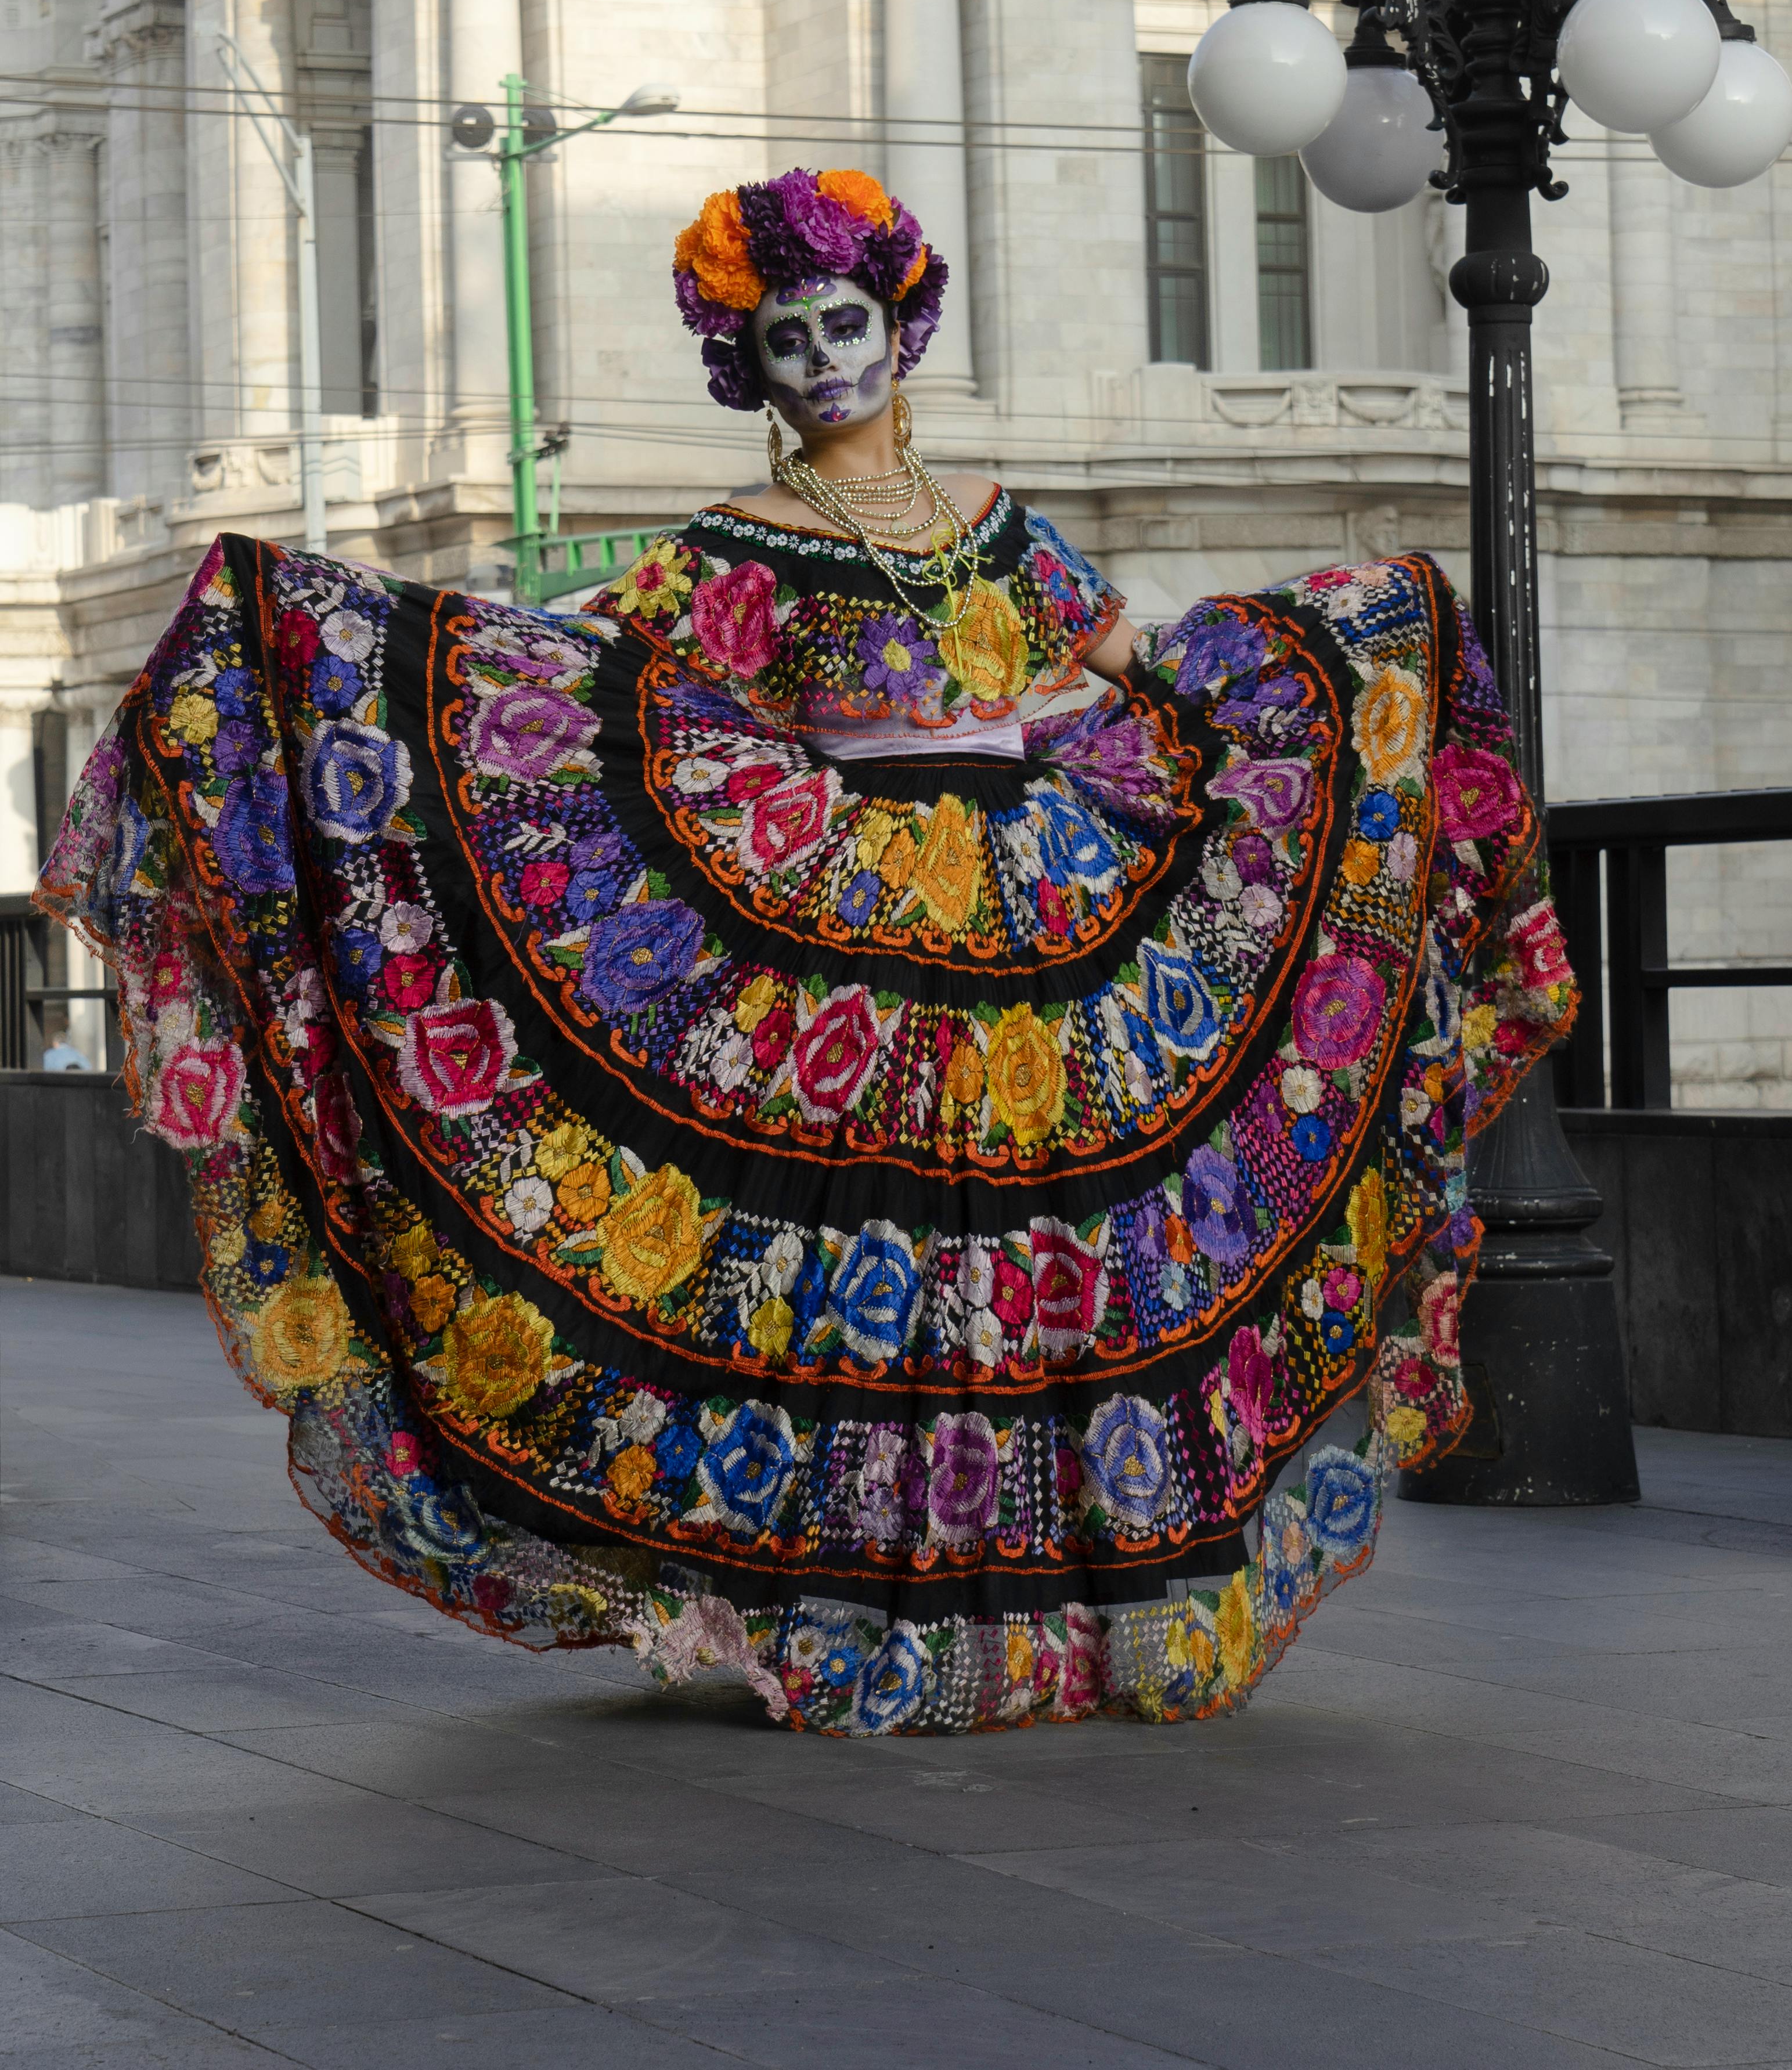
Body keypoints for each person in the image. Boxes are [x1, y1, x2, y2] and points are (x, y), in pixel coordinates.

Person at [37, 167, 1575, 1736]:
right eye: (788, 337)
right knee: (870, 1265)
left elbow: (1154, 668)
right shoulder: (731, 552)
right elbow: (581, 686)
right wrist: (327, 644)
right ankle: (856, 1592)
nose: (827, 358)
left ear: (901, 325)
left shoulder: (1000, 528)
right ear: (748, 364)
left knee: (1052, 1243)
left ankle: (1071, 1592)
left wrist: (1358, 643)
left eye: (848, 320)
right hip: (838, 919)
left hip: (1041, 896)